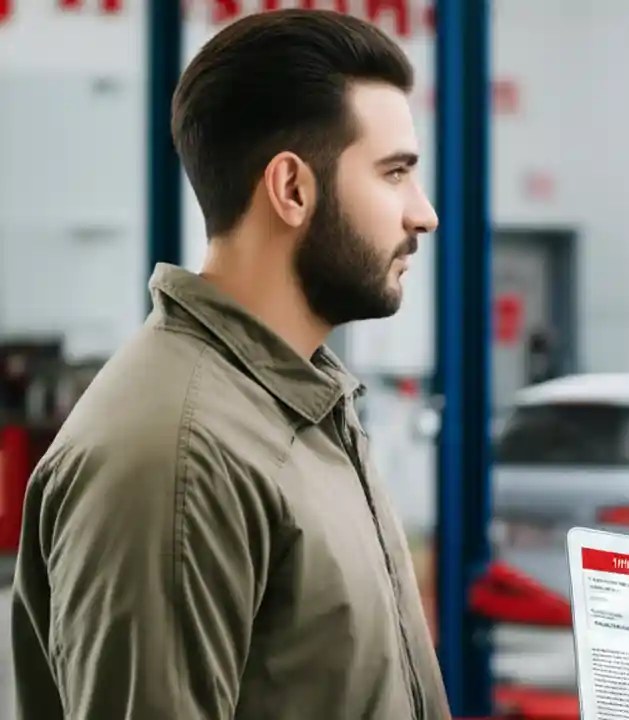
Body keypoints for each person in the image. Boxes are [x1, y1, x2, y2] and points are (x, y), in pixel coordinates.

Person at [11, 10, 450, 720]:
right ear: (292, 189)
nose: (423, 213)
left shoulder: (299, 406)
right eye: (394, 173)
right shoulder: (178, 457)